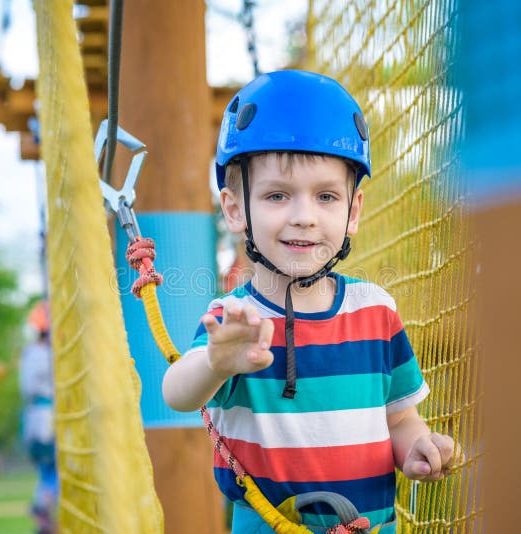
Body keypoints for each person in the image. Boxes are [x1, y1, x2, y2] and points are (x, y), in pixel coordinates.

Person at [162, 70, 462, 533]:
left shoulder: (376, 312)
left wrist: (417, 448)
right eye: (277, 195)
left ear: (353, 210)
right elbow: (177, 392)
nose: (304, 217)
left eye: (325, 196)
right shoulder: (233, 322)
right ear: (236, 209)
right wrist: (217, 364)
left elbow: (400, 418)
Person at [19, 300, 57, 534]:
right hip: (46, 419)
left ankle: (43, 513)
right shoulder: (45, 354)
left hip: (33, 420)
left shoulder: (30, 352)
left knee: (47, 470)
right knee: (56, 467)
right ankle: (43, 507)